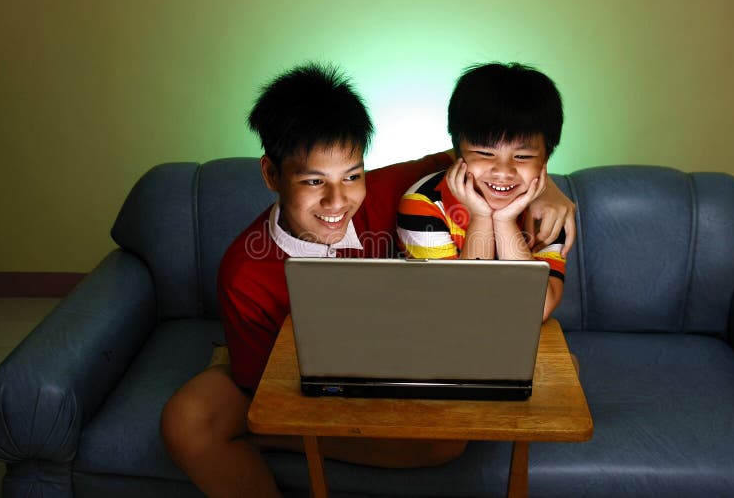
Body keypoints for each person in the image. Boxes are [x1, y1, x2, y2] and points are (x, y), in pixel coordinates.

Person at [160, 62, 576, 497]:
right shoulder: (244, 272)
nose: (337, 201)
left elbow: (484, 157)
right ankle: (274, 433)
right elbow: (263, 385)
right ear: (271, 174)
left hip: (411, 355)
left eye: (352, 176)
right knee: (186, 420)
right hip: (302, 374)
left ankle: (274, 438)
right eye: (313, 181)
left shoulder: (391, 188)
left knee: (445, 440)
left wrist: (549, 191)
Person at [398, 62, 566, 320]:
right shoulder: (424, 205)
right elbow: (465, 308)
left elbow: (536, 310)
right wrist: (481, 217)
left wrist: (505, 221)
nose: (503, 171)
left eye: (522, 156)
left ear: (545, 160)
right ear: (458, 152)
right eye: (485, 153)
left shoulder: (548, 211)